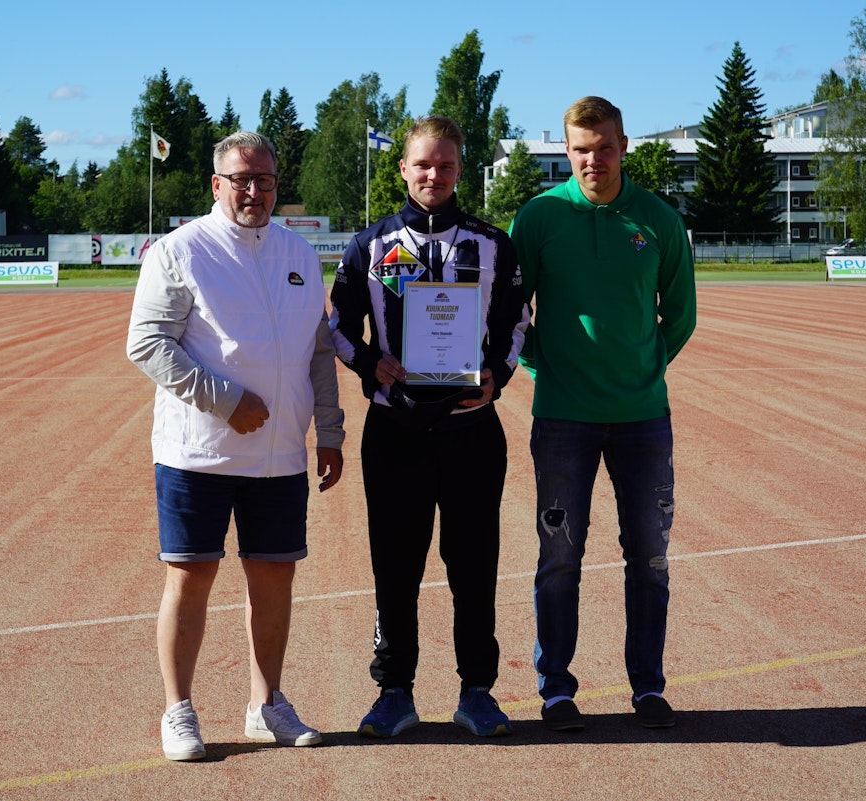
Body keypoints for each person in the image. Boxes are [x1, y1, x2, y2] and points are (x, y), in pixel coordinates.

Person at [127, 131, 345, 761]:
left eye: (266, 180)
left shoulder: (298, 252)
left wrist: (328, 432)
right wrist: (224, 399)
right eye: (242, 179)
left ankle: (267, 703)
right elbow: (148, 343)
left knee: (274, 579)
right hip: (197, 453)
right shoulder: (179, 251)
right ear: (217, 184)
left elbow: (320, 352)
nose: (255, 191)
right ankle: (178, 710)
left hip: (280, 456)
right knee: (191, 577)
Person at [329, 115, 529, 739]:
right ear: (403, 169)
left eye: (445, 164)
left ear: (460, 169)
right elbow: (336, 325)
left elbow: (518, 325)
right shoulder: (370, 244)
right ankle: (395, 691)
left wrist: (498, 373)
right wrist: (370, 361)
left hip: (473, 431)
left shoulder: (494, 243)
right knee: (395, 563)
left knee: (475, 562)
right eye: (423, 164)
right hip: (395, 431)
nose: (434, 175)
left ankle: (477, 692)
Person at [509, 96, 697, 731]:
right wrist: (546, 369)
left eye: (605, 146)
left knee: (649, 555)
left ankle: (647, 686)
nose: (593, 159)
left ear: (623, 146)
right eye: (581, 149)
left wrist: (641, 371)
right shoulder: (538, 217)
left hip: (644, 419)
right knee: (559, 557)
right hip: (562, 419)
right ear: (567, 151)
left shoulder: (659, 220)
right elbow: (513, 314)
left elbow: (682, 314)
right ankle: (556, 689)